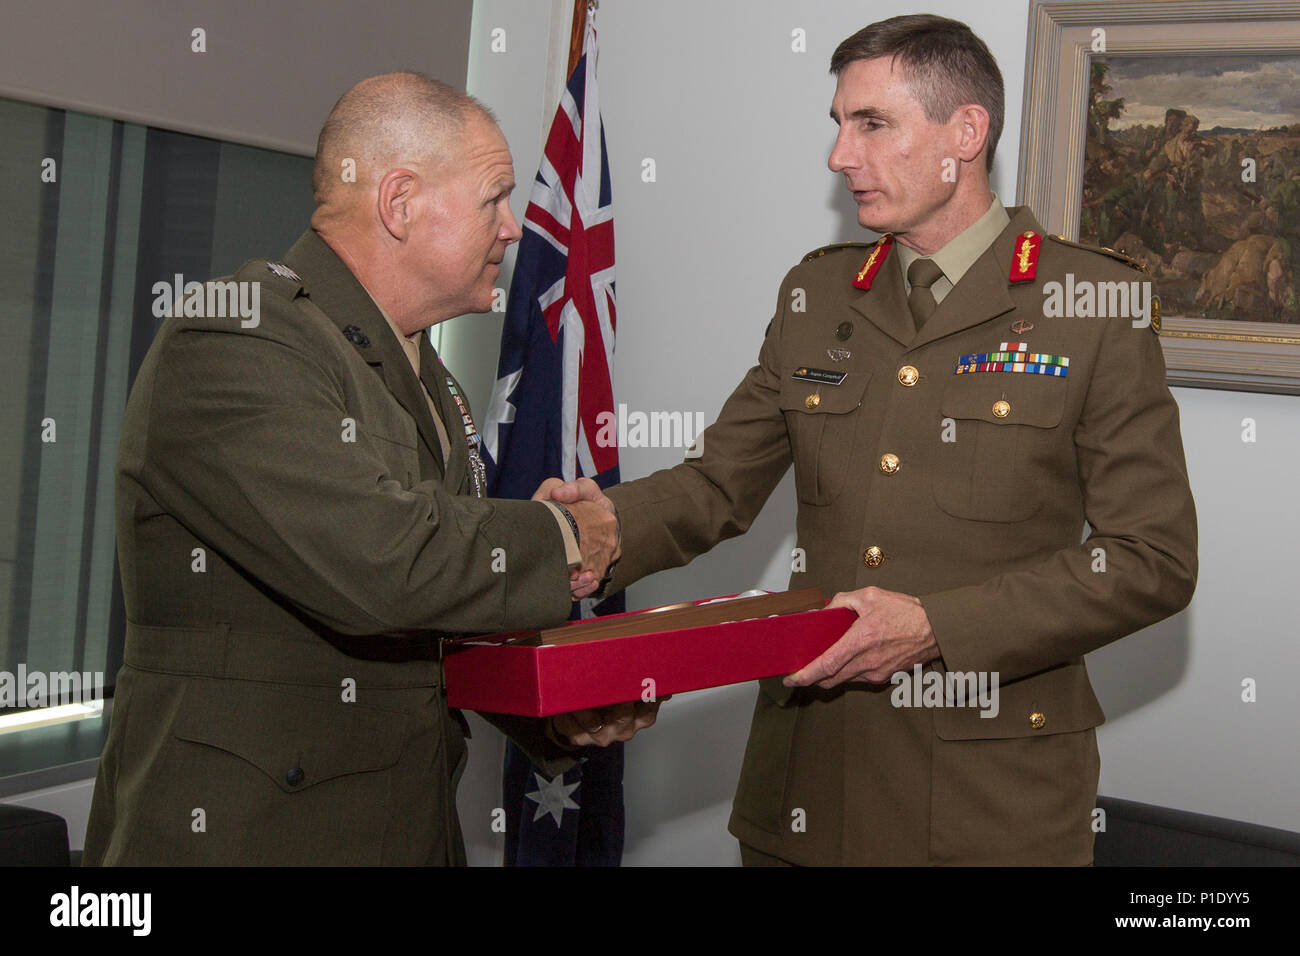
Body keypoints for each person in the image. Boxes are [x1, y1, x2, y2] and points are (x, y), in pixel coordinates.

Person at [557, 14, 1197, 865]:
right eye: (839, 125)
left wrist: (938, 626)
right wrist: (589, 531)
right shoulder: (818, 295)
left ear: (966, 132)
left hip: (989, 805)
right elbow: (718, 485)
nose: (839, 156)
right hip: (807, 788)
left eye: (873, 124)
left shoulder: (1093, 305)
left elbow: (1151, 557)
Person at [83, 73, 655, 866]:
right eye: (494, 198)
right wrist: (560, 532)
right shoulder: (236, 337)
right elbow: (384, 564)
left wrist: (551, 713)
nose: (516, 227)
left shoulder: (428, 378)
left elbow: (432, 625)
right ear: (400, 202)